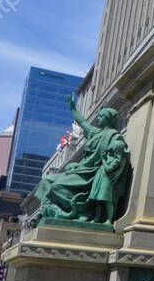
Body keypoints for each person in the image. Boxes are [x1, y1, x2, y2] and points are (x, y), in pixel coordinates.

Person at [35, 96, 129, 226]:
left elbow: (118, 155)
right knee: (46, 181)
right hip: (80, 170)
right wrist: (73, 108)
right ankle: (51, 210)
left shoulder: (113, 136)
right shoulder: (94, 132)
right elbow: (82, 121)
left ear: (108, 119)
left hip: (90, 174)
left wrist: (109, 166)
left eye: (101, 116)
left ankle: (77, 211)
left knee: (56, 186)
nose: (99, 118)